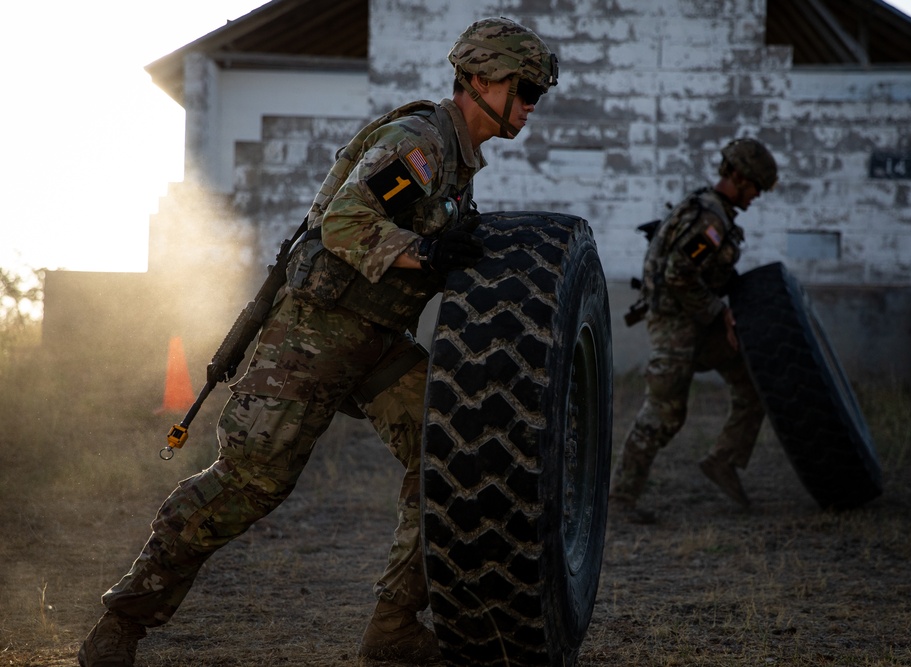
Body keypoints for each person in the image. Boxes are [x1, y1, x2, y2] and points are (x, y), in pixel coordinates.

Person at [78, 17, 558, 667]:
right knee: (249, 481)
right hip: (316, 332)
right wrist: (427, 253)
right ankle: (122, 622)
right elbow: (345, 222)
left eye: (539, 94)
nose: (531, 105)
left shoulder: (456, 159)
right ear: (481, 79)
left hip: (377, 342)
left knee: (448, 455)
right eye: (525, 87)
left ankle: (392, 627)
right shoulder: (421, 144)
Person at [611, 138, 778, 514]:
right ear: (737, 176)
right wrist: (720, 311)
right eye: (754, 187)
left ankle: (724, 461)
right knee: (664, 413)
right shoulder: (711, 221)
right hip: (676, 324)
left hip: (698, 322)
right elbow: (679, 273)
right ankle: (621, 498)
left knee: (752, 386)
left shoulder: (714, 212)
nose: (756, 197)